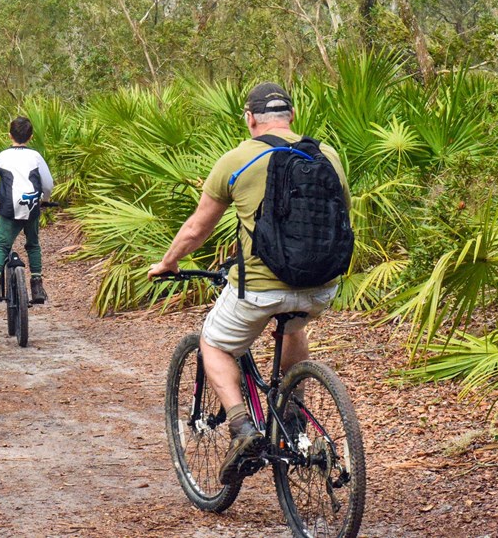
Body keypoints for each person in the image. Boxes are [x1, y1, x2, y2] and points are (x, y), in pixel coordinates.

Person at [147, 82, 351, 485]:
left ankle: (242, 429)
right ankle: (292, 416)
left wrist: (168, 263)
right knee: (293, 324)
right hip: (322, 284)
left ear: (250, 117)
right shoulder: (327, 154)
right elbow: (339, 217)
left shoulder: (236, 159)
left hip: (259, 287)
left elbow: (196, 229)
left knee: (214, 342)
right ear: (292, 115)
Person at [0, 116, 54, 305]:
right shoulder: (35, 156)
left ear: (10, 136)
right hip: (31, 206)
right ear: (30, 136)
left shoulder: (3, 156)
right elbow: (48, 184)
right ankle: (37, 286)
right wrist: (44, 200)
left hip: (9, 207)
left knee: (2, 245)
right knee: (33, 245)